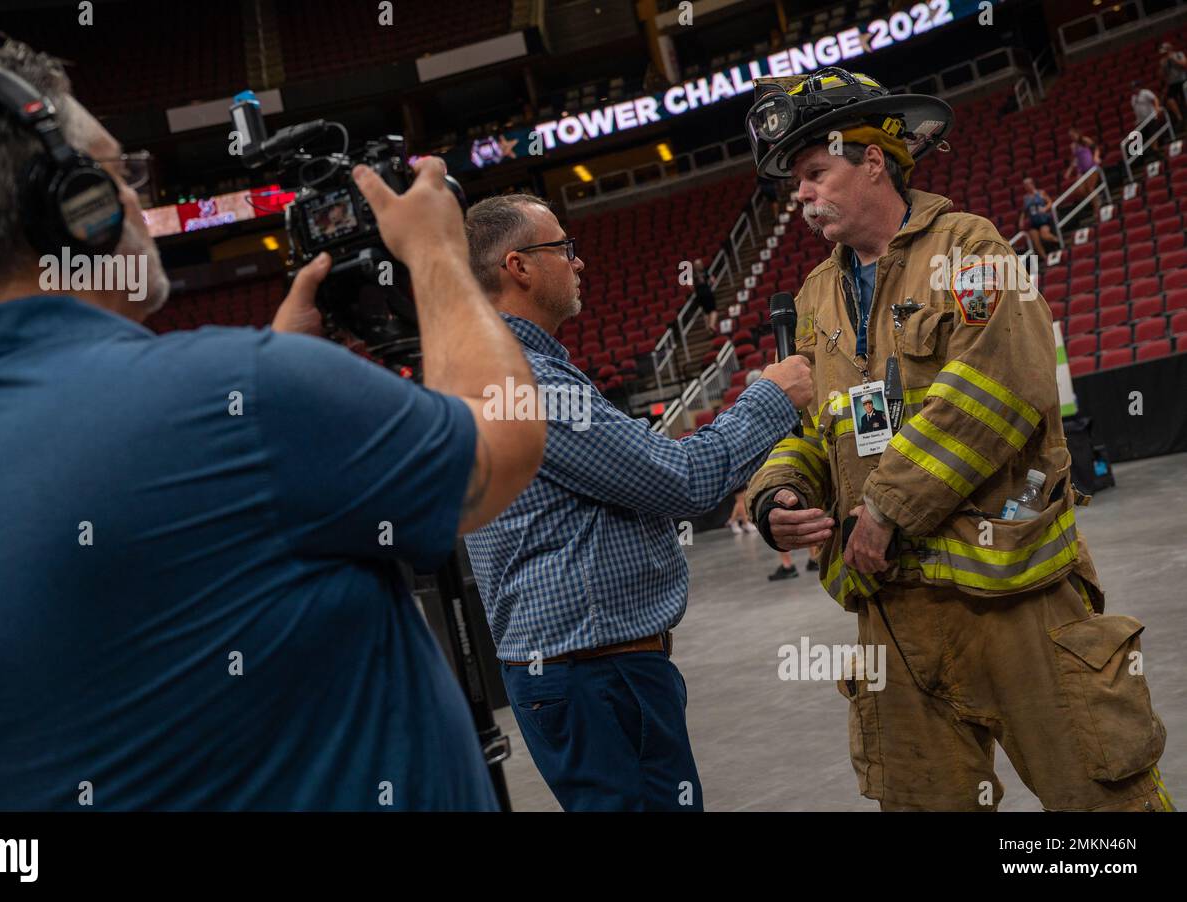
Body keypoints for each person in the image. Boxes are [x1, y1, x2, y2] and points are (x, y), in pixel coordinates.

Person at [0, 42, 547, 810]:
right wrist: (435, 254)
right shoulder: (248, 398)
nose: (136, 199)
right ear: (67, 203)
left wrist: (273, 385)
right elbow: (504, 439)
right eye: (116, 173)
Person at [743, 67, 1172, 811]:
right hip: (893, 613)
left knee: (1102, 804)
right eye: (797, 184)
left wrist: (883, 512)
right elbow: (816, 427)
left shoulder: (968, 245)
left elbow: (999, 390)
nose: (802, 197)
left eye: (815, 174)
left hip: (1012, 599)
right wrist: (778, 494)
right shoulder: (816, 295)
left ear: (873, 158)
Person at [460, 192, 813, 811]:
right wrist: (771, 397)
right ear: (517, 267)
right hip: (596, 673)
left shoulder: (498, 370)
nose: (579, 262)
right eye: (562, 248)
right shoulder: (529, 381)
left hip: (577, 670)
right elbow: (683, 481)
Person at [1017, 177, 1059, 255]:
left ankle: (1058, 241)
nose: (1027, 187)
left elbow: (1050, 202)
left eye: (1028, 184)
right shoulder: (1026, 198)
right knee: (1035, 240)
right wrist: (1021, 221)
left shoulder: (1041, 193)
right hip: (1033, 222)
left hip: (1043, 219)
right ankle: (1045, 258)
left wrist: (1045, 208)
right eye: (1025, 185)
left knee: (1045, 235)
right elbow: (1024, 211)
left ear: (1032, 184)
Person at [1062, 127, 1101, 197]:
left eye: (1073, 135)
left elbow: (1096, 148)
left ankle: (1097, 205)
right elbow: (1074, 159)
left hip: (1091, 166)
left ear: (1077, 133)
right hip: (1082, 170)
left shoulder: (1085, 140)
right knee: (1081, 190)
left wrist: (1096, 156)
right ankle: (1098, 197)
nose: (1072, 137)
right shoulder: (1073, 146)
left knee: (1090, 188)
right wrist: (1069, 171)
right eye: (1071, 136)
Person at [1159, 42, 1186, 126]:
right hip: (1172, 83)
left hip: (1183, 80)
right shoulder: (1163, 61)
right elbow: (1162, 76)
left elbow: (1185, 64)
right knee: (1169, 99)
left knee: (1185, 98)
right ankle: (1179, 118)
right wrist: (1163, 67)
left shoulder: (1179, 54)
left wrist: (1173, 59)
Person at [693, 256, 719, 333]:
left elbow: (690, 286)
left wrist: (696, 290)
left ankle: (708, 328)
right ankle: (712, 325)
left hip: (699, 295)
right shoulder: (705, 271)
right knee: (713, 310)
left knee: (706, 312)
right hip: (707, 292)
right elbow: (713, 280)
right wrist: (709, 285)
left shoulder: (692, 274)